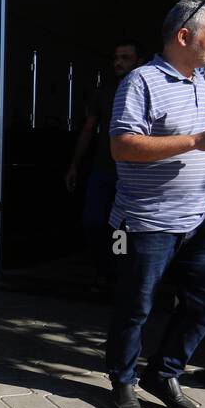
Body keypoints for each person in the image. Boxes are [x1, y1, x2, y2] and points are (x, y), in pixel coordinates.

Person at [105, 0, 205, 408]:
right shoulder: (140, 82)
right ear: (184, 36)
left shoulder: (197, 79)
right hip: (147, 223)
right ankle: (123, 382)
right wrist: (197, 143)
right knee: (136, 307)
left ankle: (163, 374)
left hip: (196, 222)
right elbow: (122, 146)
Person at [65, 40, 147, 290]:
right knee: (94, 221)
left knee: (125, 227)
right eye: (116, 57)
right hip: (104, 169)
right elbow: (89, 128)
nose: (119, 62)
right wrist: (74, 165)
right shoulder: (106, 90)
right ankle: (103, 270)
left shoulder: (148, 90)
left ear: (139, 61)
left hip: (134, 173)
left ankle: (120, 275)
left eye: (126, 57)